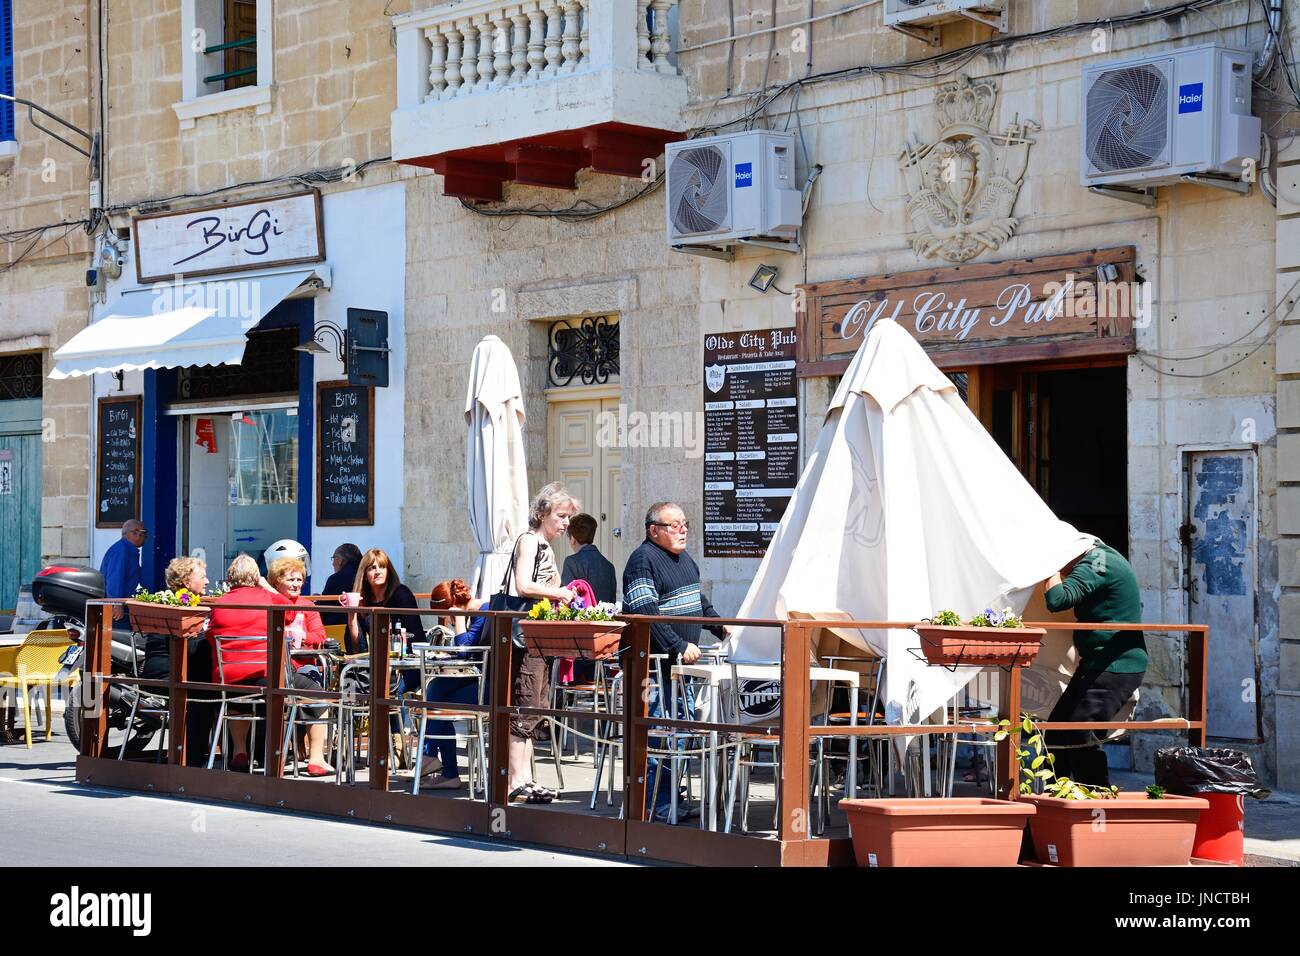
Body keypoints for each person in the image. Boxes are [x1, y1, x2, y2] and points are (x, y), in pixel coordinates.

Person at [622, 501, 728, 822]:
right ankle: (655, 804)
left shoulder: (685, 560)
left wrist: (722, 627)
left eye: (685, 523)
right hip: (654, 667)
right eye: (675, 525)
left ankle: (670, 799)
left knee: (681, 734)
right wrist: (679, 644)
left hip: (681, 668)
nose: (683, 530)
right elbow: (645, 613)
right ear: (654, 530)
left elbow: (698, 603)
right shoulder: (642, 561)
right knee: (659, 735)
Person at [1041, 538, 1147, 787]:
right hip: (1098, 663)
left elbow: (1058, 599)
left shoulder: (1099, 560)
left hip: (1115, 664)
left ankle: (1096, 807)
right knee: (1056, 732)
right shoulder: (1101, 558)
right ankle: (1052, 806)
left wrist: (1049, 568)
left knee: (1082, 734)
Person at [506, 482, 579, 804]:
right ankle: (514, 780)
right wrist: (559, 593)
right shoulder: (529, 541)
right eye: (561, 516)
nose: (565, 523)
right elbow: (522, 585)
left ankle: (527, 777)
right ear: (542, 514)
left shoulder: (546, 548)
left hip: (537, 638)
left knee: (536, 706)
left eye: (568, 518)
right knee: (525, 703)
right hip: (522, 637)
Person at [207, 555, 303, 773]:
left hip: (227, 679)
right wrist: (268, 587)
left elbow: (210, 635)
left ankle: (240, 751)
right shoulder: (266, 598)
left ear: (231, 577)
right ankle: (278, 755)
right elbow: (291, 612)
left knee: (237, 699)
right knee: (301, 687)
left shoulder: (220, 602)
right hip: (263, 675)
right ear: (256, 576)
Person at [343, 548, 425, 767]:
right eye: (372, 567)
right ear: (364, 573)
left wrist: (400, 641)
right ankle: (345, 747)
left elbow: (418, 634)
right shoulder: (361, 600)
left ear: (389, 570)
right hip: (371, 670)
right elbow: (355, 646)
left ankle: (396, 748)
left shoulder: (401, 594)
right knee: (348, 687)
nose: (377, 571)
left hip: (405, 668)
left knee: (388, 689)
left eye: (382, 566)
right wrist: (352, 615)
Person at [136, 556, 216, 761]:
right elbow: (189, 649)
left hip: (159, 672)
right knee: (206, 694)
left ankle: (197, 754)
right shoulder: (180, 605)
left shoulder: (172, 601)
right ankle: (192, 760)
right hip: (166, 676)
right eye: (203, 577)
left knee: (208, 687)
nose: (207, 581)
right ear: (187, 582)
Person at [417, 578, 489, 789]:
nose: (447, 620)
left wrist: (458, 618)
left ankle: (436, 761)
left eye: (446, 615)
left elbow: (464, 649)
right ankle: (439, 764)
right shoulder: (476, 614)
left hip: (489, 689)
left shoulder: (483, 613)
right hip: (477, 682)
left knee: (437, 692)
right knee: (437, 690)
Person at [267, 556, 332, 775]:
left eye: (300, 580)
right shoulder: (268, 604)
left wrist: (303, 636)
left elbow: (320, 636)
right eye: (291, 579)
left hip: (302, 665)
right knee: (317, 694)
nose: (296, 584)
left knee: (313, 685)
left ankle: (314, 756)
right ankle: (309, 756)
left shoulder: (307, 606)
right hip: (275, 670)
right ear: (277, 582)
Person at [560, 513, 618, 684]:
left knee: (570, 685)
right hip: (603, 639)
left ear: (572, 539)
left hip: (578, 637)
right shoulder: (608, 565)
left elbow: (567, 600)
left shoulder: (572, 562)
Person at [100, 519, 147, 619]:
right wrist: (117, 604)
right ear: (136, 533)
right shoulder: (121, 551)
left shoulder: (127, 549)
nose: (146, 537)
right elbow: (115, 579)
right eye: (144, 533)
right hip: (118, 609)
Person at [319, 543, 362, 626]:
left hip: (338, 627)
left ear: (340, 560)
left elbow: (323, 607)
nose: (332, 563)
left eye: (333, 558)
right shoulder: (365, 575)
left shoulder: (336, 578)